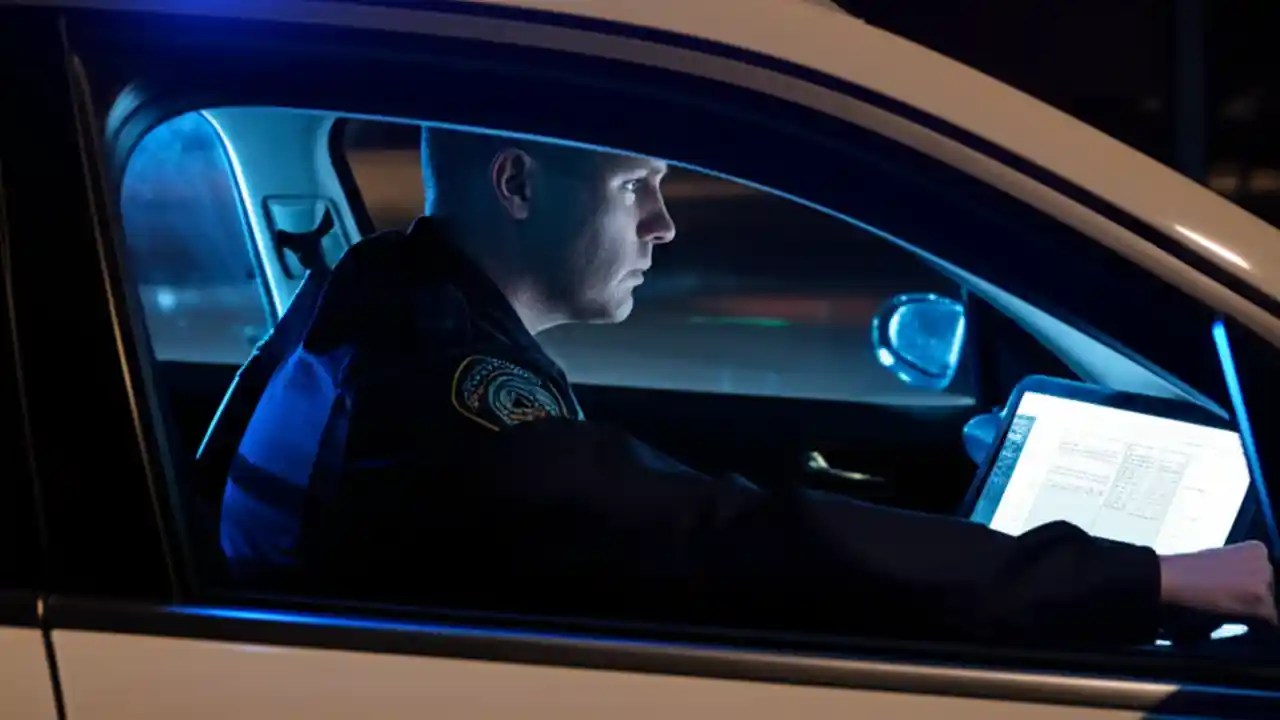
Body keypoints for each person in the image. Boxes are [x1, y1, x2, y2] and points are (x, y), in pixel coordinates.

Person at [220, 126, 1277, 647]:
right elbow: (729, 539)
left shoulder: (390, 313)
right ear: (514, 182)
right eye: (634, 186)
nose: (663, 225)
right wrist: (1156, 582)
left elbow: (652, 506)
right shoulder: (451, 397)